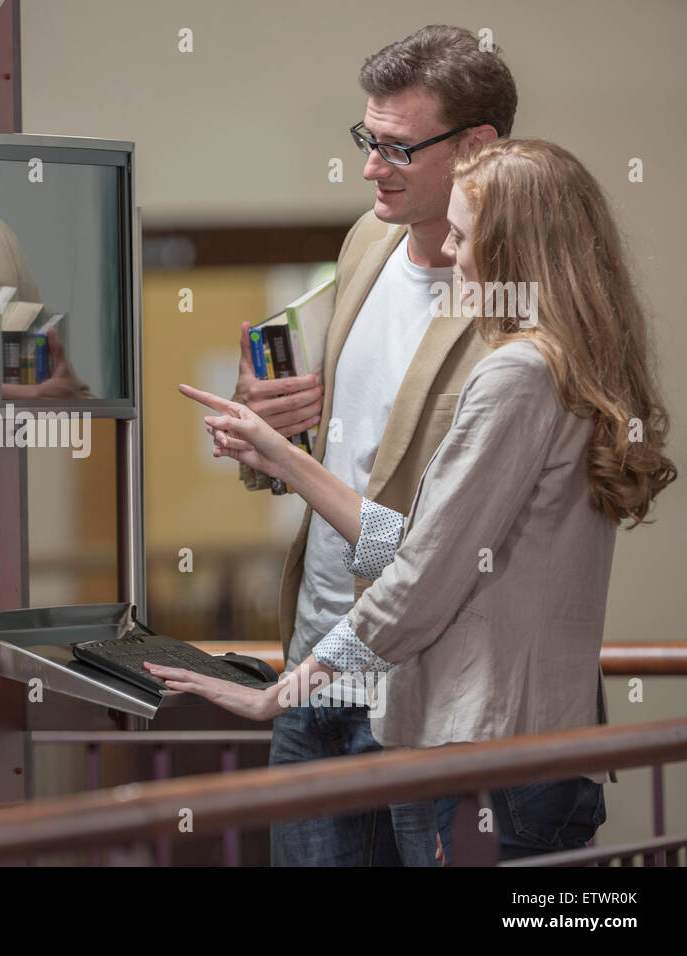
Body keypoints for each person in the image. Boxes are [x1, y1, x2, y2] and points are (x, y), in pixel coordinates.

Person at [159, 138, 677, 863]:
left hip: (481, 761)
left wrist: (281, 692)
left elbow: (419, 583)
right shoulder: (565, 363)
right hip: (520, 756)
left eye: (463, 237)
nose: (452, 257)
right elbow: (422, 548)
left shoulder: (516, 376)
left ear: (514, 251)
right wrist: (283, 457)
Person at [227, 24, 516, 866]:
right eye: (365, 139)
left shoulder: (519, 309)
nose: (368, 167)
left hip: (427, 682)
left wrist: (289, 458)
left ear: (476, 147)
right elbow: (344, 452)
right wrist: (272, 434)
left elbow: (453, 533)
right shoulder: (368, 240)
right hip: (318, 662)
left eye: (395, 147)